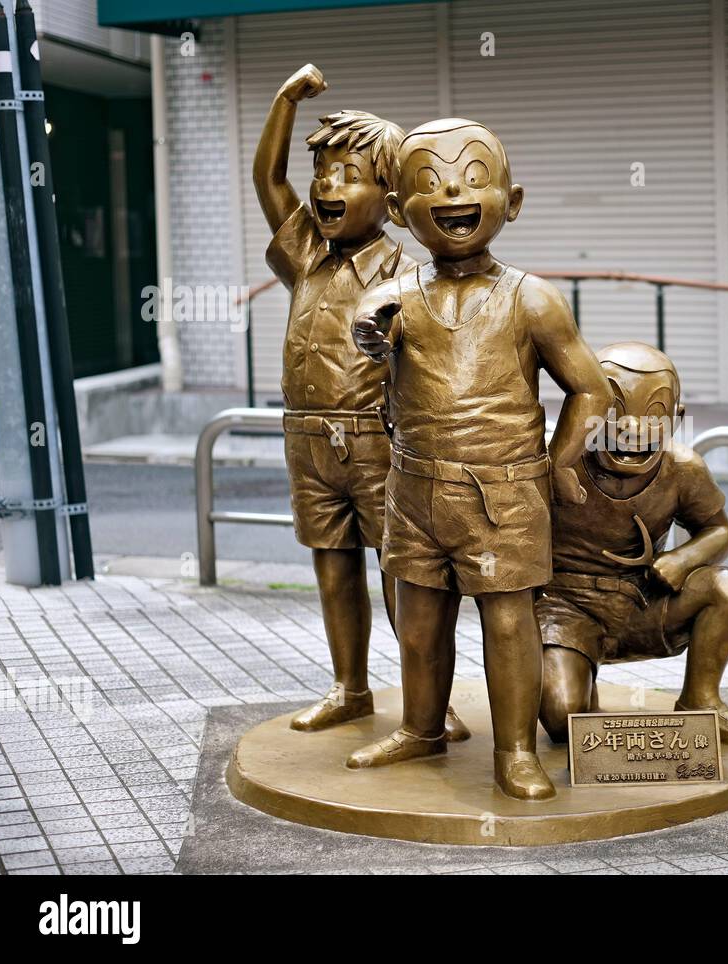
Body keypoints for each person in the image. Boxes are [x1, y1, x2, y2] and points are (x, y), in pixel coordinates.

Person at [350, 118, 611, 800]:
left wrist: (558, 463)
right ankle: (421, 727)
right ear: (404, 214)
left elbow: (590, 388)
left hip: (503, 492)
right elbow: (370, 319)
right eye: (429, 186)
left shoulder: (531, 298)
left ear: (512, 200)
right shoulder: (398, 297)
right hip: (414, 488)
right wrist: (371, 330)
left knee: (506, 620)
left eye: (472, 179)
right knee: (418, 619)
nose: (451, 196)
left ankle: (516, 750)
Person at [252, 63, 468, 739]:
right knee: (332, 566)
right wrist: (287, 99)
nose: (327, 187)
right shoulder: (305, 255)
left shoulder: (410, 274)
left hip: (380, 440)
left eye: (349, 174)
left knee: (405, 575)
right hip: (309, 439)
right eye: (324, 173)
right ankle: (349, 688)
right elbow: (267, 179)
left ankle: (431, 702)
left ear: (391, 195)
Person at [537, 342, 728, 748]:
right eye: (613, 409)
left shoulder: (682, 468)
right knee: (562, 717)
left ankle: (701, 700)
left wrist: (683, 559)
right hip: (565, 609)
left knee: (727, 586)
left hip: (644, 601)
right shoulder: (554, 460)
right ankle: (575, 677)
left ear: (676, 418)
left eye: (653, 414)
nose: (631, 428)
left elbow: (720, 532)